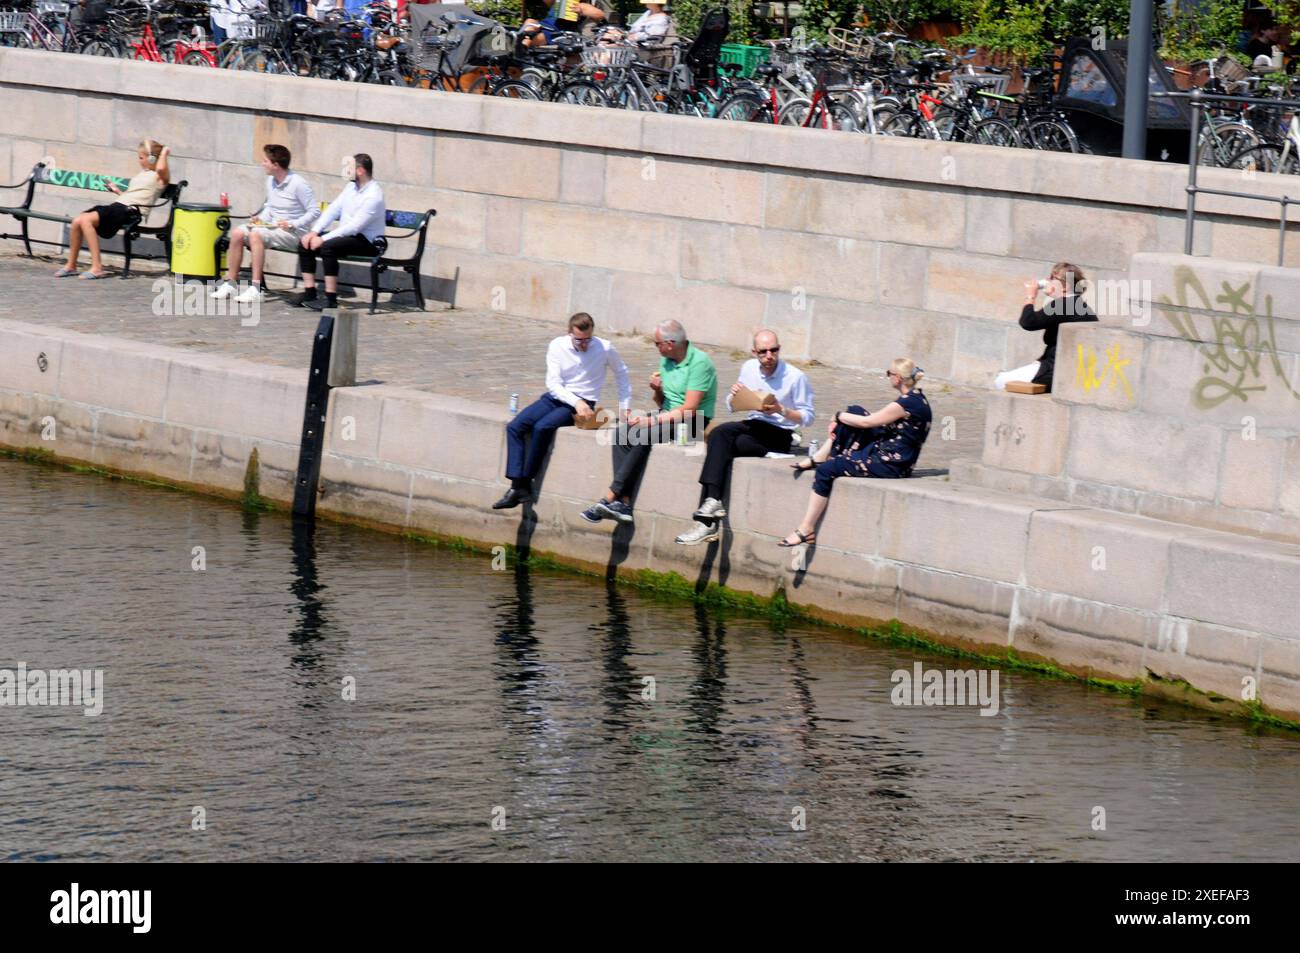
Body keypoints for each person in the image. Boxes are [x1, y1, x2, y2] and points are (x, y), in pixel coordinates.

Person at [674, 329, 814, 546]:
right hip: (753, 425)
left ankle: (707, 515)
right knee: (724, 438)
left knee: (720, 437)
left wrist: (781, 409)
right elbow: (731, 405)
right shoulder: (748, 368)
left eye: (774, 350)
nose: (769, 356)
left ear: (779, 349)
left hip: (781, 432)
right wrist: (735, 395)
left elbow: (808, 417)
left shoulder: (796, 377)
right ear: (754, 352)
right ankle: (710, 509)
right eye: (763, 351)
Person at [779, 359, 931, 548]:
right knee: (855, 411)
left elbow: (868, 422)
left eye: (889, 373)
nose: (888, 377)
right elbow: (870, 420)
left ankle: (806, 529)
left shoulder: (905, 404)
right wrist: (844, 417)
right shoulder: (916, 398)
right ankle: (819, 457)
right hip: (889, 450)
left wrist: (838, 416)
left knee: (827, 470)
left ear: (898, 378)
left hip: (891, 464)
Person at [579, 319, 716, 526]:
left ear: (670, 344)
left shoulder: (700, 363)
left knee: (644, 434)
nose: (656, 347)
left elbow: (689, 408)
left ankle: (610, 496)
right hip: (668, 415)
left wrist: (651, 421)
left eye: (657, 343)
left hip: (694, 422)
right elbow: (663, 403)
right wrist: (657, 390)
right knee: (621, 432)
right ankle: (624, 503)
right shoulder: (666, 360)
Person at [493, 313, 632, 510]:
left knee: (542, 427)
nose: (584, 344)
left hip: (584, 402)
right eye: (579, 340)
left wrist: (624, 407)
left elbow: (622, 373)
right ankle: (518, 486)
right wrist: (576, 401)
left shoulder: (605, 347)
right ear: (569, 333)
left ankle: (524, 481)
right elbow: (553, 384)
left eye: (588, 339)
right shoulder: (557, 345)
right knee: (515, 427)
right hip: (557, 397)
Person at [211, 144, 317, 303]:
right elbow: (270, 207)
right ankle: (230, 284)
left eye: (265, 161)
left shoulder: (298, 184)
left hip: (295, 233)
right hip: (273, 229)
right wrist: (260, 219)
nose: (262, 164)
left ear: (276, 165)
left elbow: (314, 211)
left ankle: (255, 288)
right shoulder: (271, 181)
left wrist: (292, 223)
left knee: (256, 235)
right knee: (237, 233)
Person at [55, 139, 170, 280]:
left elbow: (161, 169)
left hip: (131, 212)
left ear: (152, 158)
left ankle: (97, 268)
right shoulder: (144, 174)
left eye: (141, 158)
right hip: (119, 206)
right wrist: (117, 191)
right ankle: (71, 265)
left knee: (86, 220)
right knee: (77, 220)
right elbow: (133, 196)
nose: (139, 161)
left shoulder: (160, 177)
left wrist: (164, 153)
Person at [293, 153, 385, 311]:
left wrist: (323, 239)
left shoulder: (374, 196)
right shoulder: (351, 187)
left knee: (328, 247)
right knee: (305, 243)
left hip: (368, 242)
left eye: (350, 168)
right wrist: (314, 232)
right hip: (349, 237)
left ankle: (330, 300)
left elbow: (354, 227)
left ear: (360, 171)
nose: (346, 171)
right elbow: (333, 209)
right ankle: (310, 293)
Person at [993, 261, 1097, 392]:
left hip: (1056, 371)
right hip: (1070, 369)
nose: (1048, 281)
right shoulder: (1078, 305)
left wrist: (1030, 295)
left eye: (1053, 278)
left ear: (1066, 286)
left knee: (1001, 380)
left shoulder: (1063, 305)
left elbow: (1028, 322)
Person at [521, 0, 607, 47]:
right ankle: (524, 42)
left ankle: (523, 45)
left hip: (557, 31)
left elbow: (600, 15)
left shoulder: (581, 5)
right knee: (530, 21)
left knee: (537, 37)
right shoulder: (558, 2)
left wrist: (580, 11)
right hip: (544, 25)